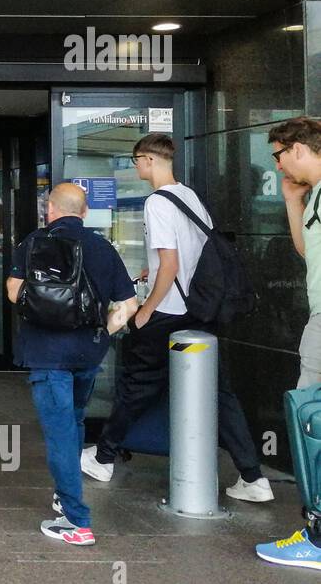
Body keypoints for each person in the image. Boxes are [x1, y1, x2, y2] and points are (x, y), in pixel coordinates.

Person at [81, 133, 270, 502]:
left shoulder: (157, 202)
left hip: (169, 313)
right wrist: (153, 272)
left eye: (136, 159)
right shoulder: (191, 197)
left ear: (149, 160)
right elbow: (191, 256)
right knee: (219, 393)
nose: (136, 166)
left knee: (136, 385)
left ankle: (103, 457)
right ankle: (253, 477)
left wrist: (146, 309)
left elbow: (171, 262)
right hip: (200, 311)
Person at [7, 182, 137, 545]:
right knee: (75, 422)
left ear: (50, 210)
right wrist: (105, 332)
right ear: (84, 212)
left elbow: (14, 292)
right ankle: (65, 497)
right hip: (87, 354)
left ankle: (77, 521)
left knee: (61, 434)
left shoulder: (33, 243)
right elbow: (128, 305)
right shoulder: (102, 247)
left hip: (47, 355)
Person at [256, 117, 321, 570]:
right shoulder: (313, 194)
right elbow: (306, 252)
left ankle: (317, 539)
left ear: (298, 148)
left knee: (311, 422)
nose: (278, 167)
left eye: (278, 155)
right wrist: (291, 202)